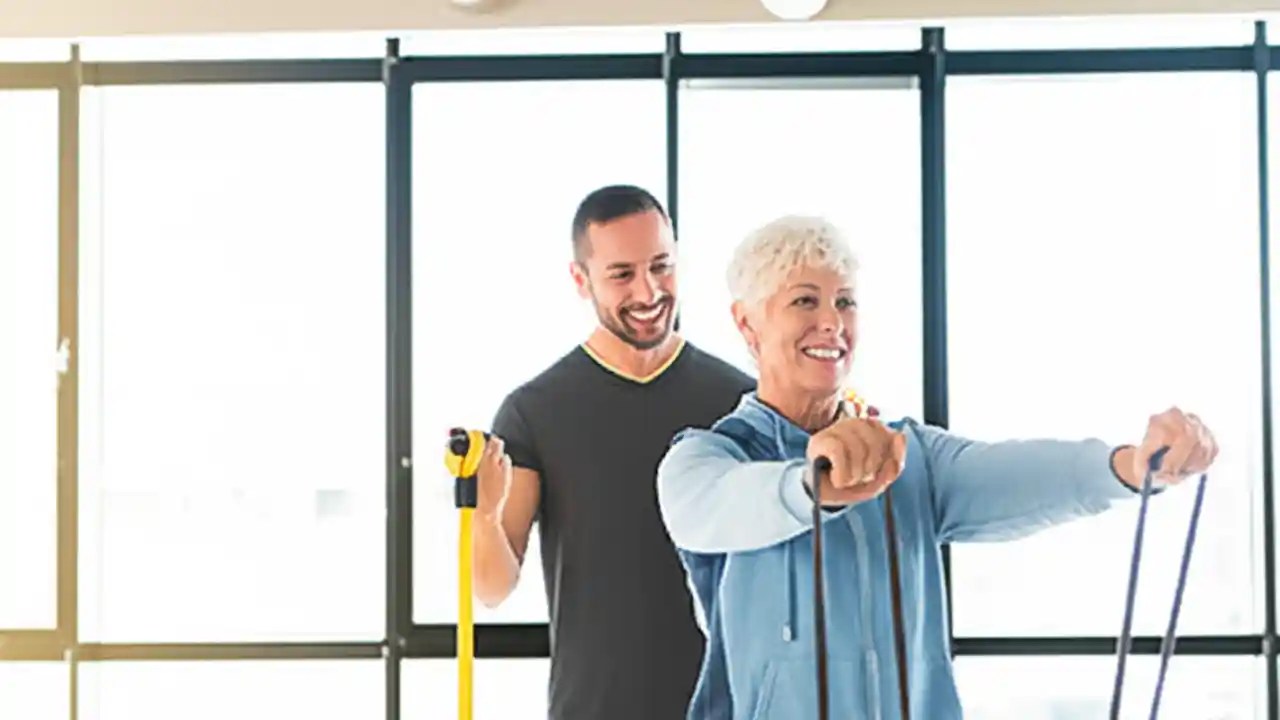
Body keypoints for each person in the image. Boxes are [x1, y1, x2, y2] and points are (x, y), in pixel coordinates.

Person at [655, 214, 1219, 719]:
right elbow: (726, 505)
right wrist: (817, 481)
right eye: (805, 301)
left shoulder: (907, 455)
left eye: (845, 302)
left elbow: (1017, 474)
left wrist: (1132, 466)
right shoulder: (706, 460)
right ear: (748, 325)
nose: (831, 322)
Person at [471, 185, 756, 720]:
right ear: (581, 280)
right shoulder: (535, 411)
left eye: (661, 267)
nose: (649, 291)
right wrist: (483, 517)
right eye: (622, 274)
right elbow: (491, 589)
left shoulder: (739, 402)